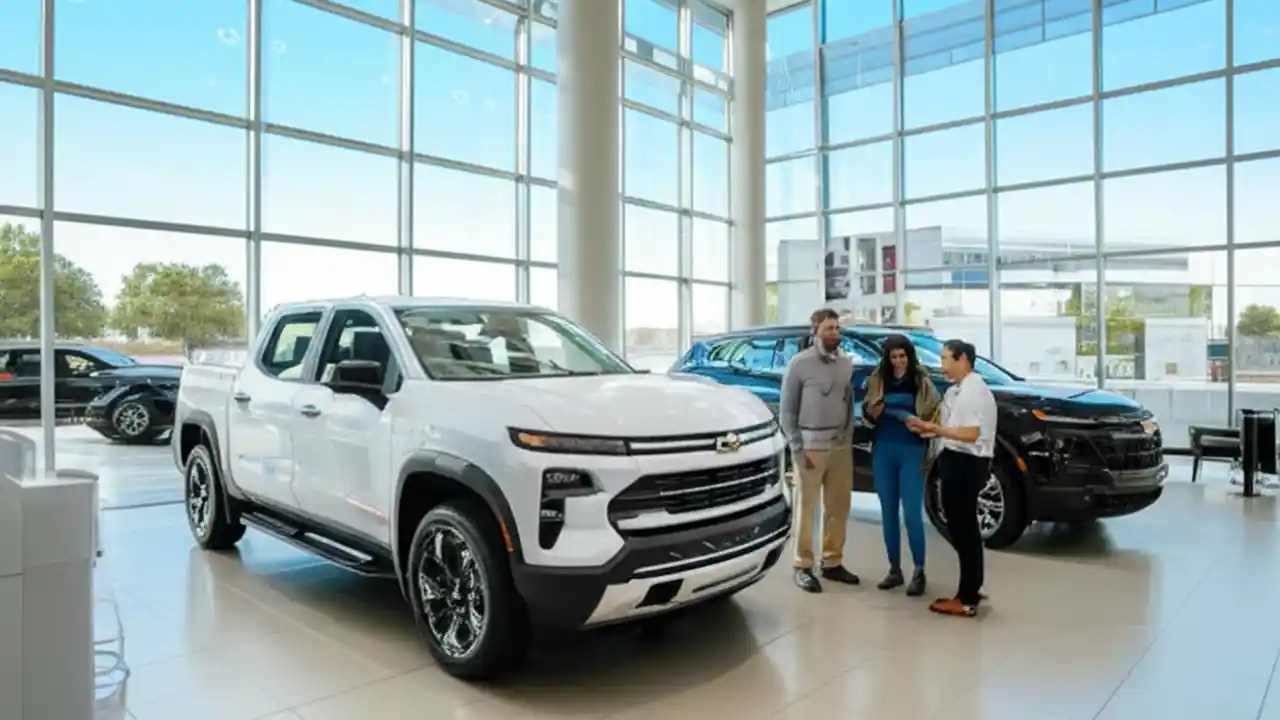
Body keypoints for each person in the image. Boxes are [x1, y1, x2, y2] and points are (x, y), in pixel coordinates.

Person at [906, 339, 997, 617]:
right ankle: (972, 586)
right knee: (965, 529)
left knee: (963, 529)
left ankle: (966, 597)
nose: (942, 365)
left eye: (947, 359)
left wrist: (937, 429)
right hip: (960, 459)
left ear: (964, 360)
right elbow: (955, 428)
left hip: (966, 462)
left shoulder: (972, 391)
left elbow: (970, 434)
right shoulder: (959, 390)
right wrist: (930, 430)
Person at [779, 309, 861, 593]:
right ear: (815, 329)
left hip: (840, 446)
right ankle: (802, 565)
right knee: (806, 508)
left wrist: (848, 433)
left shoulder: (845, 364)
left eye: (837, 328)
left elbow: (848, 402)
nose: (834, 333)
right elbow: (787, 411)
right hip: (811, 446)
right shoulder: (799, 365)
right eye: (829, 328)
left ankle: (832, 562)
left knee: (838, 507)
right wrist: (797, 450)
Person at [862, 335, 940, 597]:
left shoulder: (921, 379)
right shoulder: (877, 378)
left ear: (909, 355)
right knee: (888, 512)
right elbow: (868, 411)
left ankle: (919, 570)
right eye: (893, 356)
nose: (898, 361)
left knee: (911, 514)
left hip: (912, 450)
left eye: (902, 356)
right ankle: (894, 569)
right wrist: (894, 413)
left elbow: (932, 411)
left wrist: (912, 419)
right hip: (884, 449)